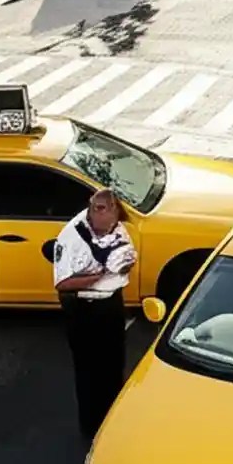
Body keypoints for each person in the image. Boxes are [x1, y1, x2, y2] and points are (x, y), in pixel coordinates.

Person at [53, 188, 137, 442]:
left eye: (116, 222)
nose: (115, 227)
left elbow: (123, 252)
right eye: (111, 220)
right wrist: (98, 276)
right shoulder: (71, 238)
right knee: (89, 373)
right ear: (97, 210)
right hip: (84, 309)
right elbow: (62, 284)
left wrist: (124, 264)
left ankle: (112, 421)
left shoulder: (115, 228)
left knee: (113, 367)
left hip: (110, 305)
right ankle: (91, 430)